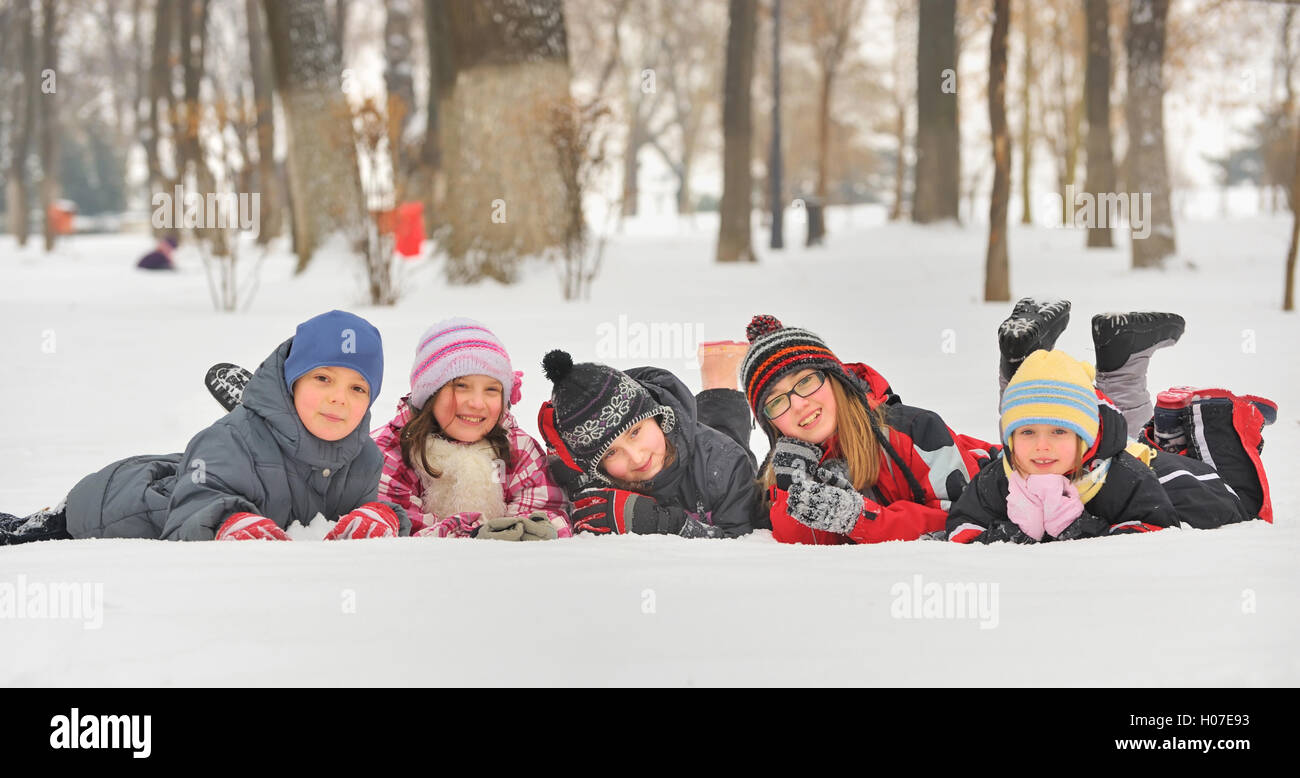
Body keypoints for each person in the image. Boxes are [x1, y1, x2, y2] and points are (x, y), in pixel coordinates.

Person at [0, 310, 408, 543]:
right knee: (18, 535)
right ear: (291, 380)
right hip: (109, 508)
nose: (340, 397)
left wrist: (382, 516)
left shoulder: (364, 459)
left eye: (358, 387)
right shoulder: (231, 440)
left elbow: (348, 517)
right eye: (323, 378)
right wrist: (227, 522)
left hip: (190, 472)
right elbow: (191, 508)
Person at [946, 300, 1276, 543]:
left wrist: (1080, 529)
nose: (1041, 445)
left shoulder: (1122, 476)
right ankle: (1121, 353)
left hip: (1174, 482)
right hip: (1114, 440)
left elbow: (1153, 525)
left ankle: (1201, 420)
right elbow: (962, 525)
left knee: (1239, 507)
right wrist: (1008, 535)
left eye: (1059, 432)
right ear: (1009, 439)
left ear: (1084, 439)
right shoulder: (1002, 475)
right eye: (1027, 432)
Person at [741, 315, 996, 545]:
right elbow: (809, 553)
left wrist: (859, 518)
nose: (798, 404)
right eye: (776, 401)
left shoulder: (916, 431)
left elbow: (964, 522)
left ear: (836, 378)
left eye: (806, 380)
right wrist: (793, 492)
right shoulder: (782, 471)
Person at [371, 318, 570, 541]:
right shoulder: (394, 449)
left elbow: (547, 510)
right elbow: (398, 525)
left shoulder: (518, 449)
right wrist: (473, 535)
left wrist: (527, 530)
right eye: (461, 386)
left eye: (491, 390)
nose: (476, 403)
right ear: (430, 393)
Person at [536, 347, 757, 538]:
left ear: (657, 416)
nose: (637, 457)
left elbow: (740, 546)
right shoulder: (582, 475)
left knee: (727, 433)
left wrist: (667, 525)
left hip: (710, 460)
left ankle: (719, 379)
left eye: (635, 432)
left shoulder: (726, 463)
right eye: (611, 453)